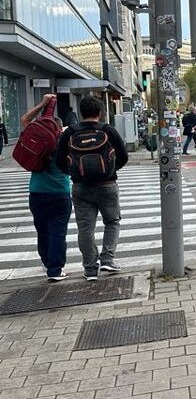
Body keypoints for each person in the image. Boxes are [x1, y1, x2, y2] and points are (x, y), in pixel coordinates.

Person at [55, 96, 129, 280]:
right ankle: (107, 260)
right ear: (100, 112)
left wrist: (74, 173)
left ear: (81, 113)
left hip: (80, 188)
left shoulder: (70, 132)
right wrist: (110, 170)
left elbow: (58, 160)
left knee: (85, 229)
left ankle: (89, 270)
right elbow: (124, 155)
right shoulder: (107, 130)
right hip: (107, 185)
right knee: (112, 222)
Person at [21, 95, 72, 281]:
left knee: (42, 230)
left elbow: (25, 120)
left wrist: (42, 105)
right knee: (58, 231)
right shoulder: (63, 141)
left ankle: (46, 261)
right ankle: (55, 269)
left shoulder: (38, 138)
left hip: (36, 191)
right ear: (59, 128)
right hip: (59, 192)